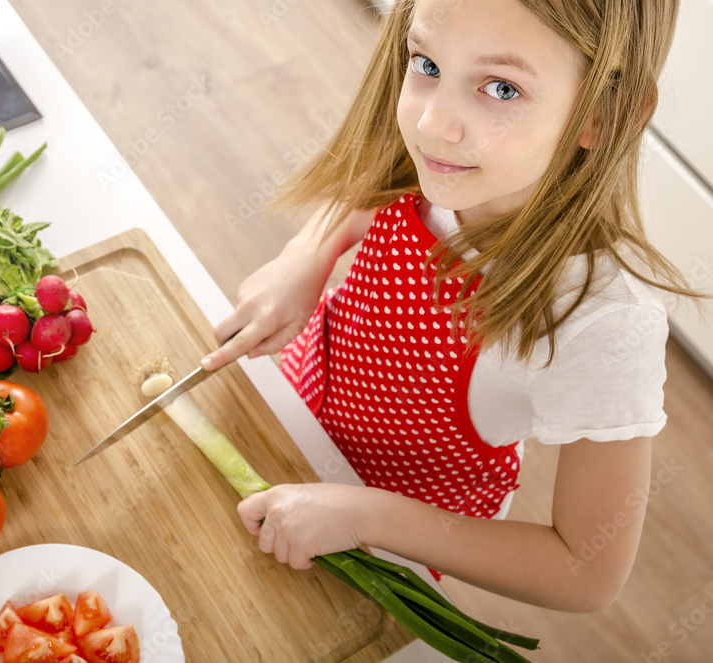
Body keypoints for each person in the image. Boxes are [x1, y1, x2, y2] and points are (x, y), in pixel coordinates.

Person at [199, 0, 702, 613]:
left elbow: (585, 572)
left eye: (501, 87)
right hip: (294, 404)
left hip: (373, 542)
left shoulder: (604, 324)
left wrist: (365, 517)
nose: (433, 123)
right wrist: (308, 255)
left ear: (605, 113)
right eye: (427, 63)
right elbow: (375, 183)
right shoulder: (453, 152)